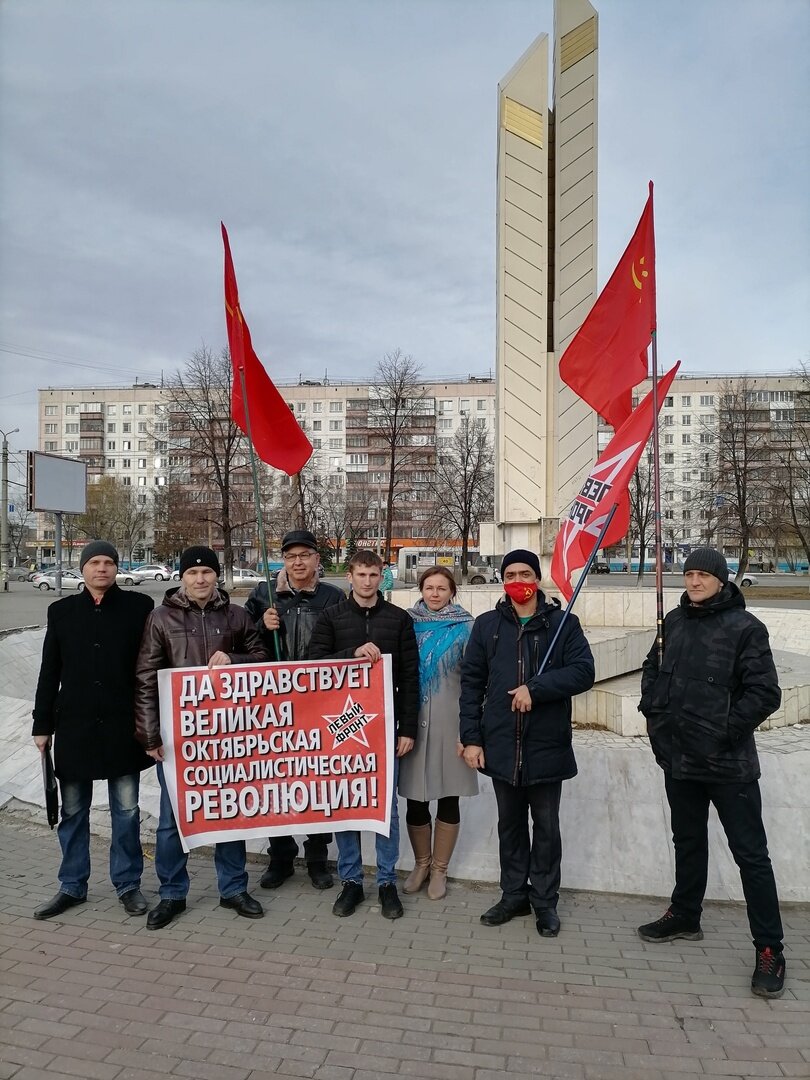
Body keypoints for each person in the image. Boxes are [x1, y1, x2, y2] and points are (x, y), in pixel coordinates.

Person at [637, 547, 786, 998]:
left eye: (703, 574)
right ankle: (685, 914)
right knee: (688, 840)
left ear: (721, 579)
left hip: (728, 764)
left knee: (751, 855)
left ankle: (770, 948)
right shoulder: (674, 623)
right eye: (689, 574)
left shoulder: (746, 628)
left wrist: (723, 731)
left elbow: (765, 693)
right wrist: (657, 718)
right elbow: (651, 670)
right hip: (679, 760)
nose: (695, 582)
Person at [459, 549, 594, 937]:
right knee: (510, 826)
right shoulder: (487, 626)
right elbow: (471, 685)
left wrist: (537, 688)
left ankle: (545, 901)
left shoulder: (563, 624)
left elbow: (584, 672)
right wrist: (471, 737)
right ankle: (513, 893)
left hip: (545, 745)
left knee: (547, 828)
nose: (519, 580)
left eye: (526, 573)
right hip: (501, 744)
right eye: (511, 574)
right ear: (503, 580)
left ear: (537, 578)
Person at [135, 545, 268, 930]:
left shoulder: (237, 615)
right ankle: (172, 893)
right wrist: (149, 735)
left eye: (207, 572)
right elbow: (146, 678)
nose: (200, 580)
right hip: (179, 740)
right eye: (192, 574)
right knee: (173, 819)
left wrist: (235, 659)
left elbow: (263, 658)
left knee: (229, 812)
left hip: (228, 736)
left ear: (216, 575)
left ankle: (234, 889)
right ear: (182, 577)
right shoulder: (160, 619)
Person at [31, 541, 154, 920]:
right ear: (82, 569)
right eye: (95, 563)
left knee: (127, 811)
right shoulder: (62, 611)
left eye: (109, 563)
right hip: (75, 726)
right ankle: (72, 885)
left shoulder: (138, 608)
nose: (102, 569)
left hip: (122, 727)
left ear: (117, 569)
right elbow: (50, 670)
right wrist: (42, 724)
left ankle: (128, 884)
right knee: (73, 812)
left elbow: (149, 668)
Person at [308, 549, 419, 920]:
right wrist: (350, 653)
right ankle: (351, 881)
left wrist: (407, 728)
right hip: (340, 730)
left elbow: (409, 677)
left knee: (385, 809)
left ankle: (386, 881)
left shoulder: (399, 619)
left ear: (381, 576)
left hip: (384, 728)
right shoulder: (331, 616)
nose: (367, 582)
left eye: (374, 575)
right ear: (350, 576)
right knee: (346, 806)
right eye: (361, 575)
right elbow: (312, 664)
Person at [244, 528, 344, 890]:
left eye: (305, 555)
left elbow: (342, 643)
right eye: (291, 556)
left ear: (318, 559)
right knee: (277, 783)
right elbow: (243, 641)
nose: (298, 562)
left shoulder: (333, 596)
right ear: (283, 560)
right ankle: (280, 856)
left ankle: (318, 857)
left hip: (319, 704)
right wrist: (261, 623)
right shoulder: (263, 594)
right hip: (275, 706)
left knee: (318, 782)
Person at [399, 566, 476, 899]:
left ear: (452, 592)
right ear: (420, 589)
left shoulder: (467, 627)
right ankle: (421, 863)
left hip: (451, 722)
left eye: (441, 588)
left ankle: (440, 871)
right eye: (428, 587)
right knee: (415, 798)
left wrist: (472, 729)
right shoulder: (408, 624)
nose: (434, 594)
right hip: (413, 722)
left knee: (448, 795)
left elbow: (475, 678)